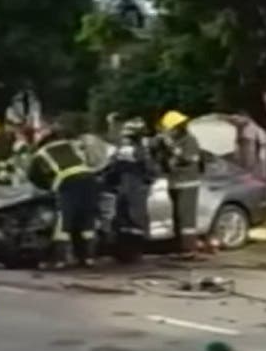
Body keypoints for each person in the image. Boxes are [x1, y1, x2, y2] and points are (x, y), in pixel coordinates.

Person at [27, 125, 97, 268]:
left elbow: (32, 177)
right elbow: (90, 159)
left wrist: (49, 187)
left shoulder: (41, 154)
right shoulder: (71, 145)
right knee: (86, 220)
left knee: (63, 223)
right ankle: (88, 258)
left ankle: (60, 260)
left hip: (68, 184)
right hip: (89, 180)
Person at [105, 117, 156, 257]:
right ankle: (130, 249)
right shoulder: (139, 152)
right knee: (129, 219)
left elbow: (150, 171)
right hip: (129, 190)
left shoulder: (134, 152)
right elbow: (151, 171)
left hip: (130, 190)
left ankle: (132, 249)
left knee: (132, 219)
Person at [155, 110, 202, 257]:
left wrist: (173, 149)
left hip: (188, 184)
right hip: (174, 183)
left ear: (178, 127)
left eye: (171, 129)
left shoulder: (190, 140)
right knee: (177, 217)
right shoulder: (170, 143)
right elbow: (163, 162)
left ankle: (189, 249)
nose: (169, 132)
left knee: (186, 217)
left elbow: (191, 158)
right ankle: (179, 247)